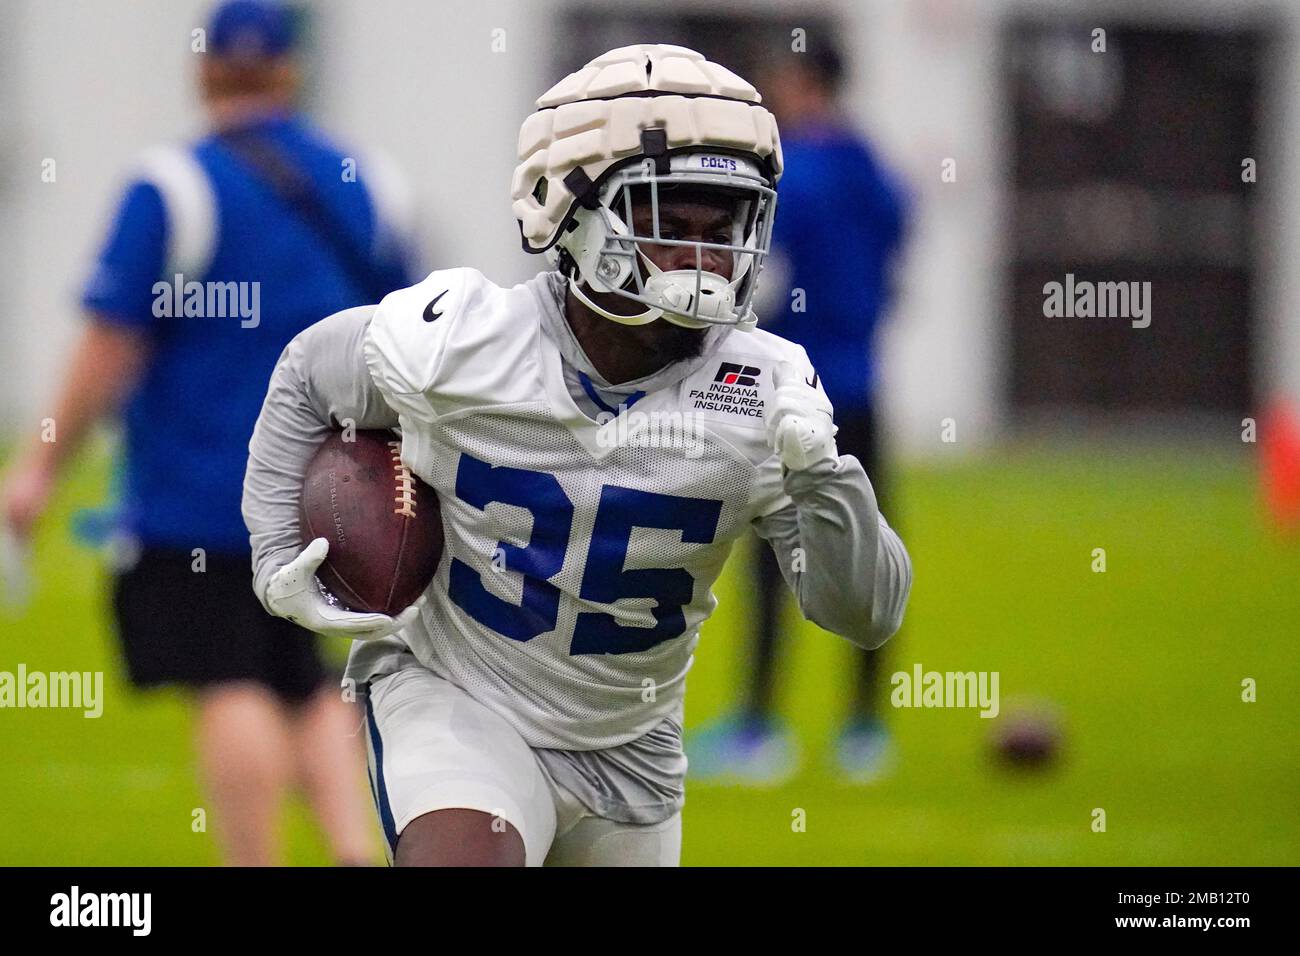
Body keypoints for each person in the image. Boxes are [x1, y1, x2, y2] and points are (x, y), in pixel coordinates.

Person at [242, 43, 911, 867]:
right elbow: (311, 371)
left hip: (628, 746)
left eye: (724, 227)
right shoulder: (465, 339)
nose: (705, 257)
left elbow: (865, 612)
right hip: (461, 693)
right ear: (573, 212)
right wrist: (275, 547)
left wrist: (824, 478)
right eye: (671, 224)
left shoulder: (764, 389)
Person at [1, 0, 417, 865]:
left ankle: (253, 858)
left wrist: (39, 464)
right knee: (304, 677)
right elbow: (407, 334)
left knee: (226, 678)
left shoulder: (172, 186)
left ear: (204, 69)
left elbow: (110, 341)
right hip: (336, 495)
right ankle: (352, 849)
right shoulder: (368, 181)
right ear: (292, 68)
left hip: (200, 495)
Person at [688, 43, 911, 786]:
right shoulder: (875, 171)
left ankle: (759, 727)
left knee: (772, 561)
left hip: (797, 394)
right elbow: (896, 251)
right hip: (866, 382)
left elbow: (761, 276)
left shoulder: (797, 176)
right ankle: (865, 733)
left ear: (804, 81)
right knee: (867, 552)